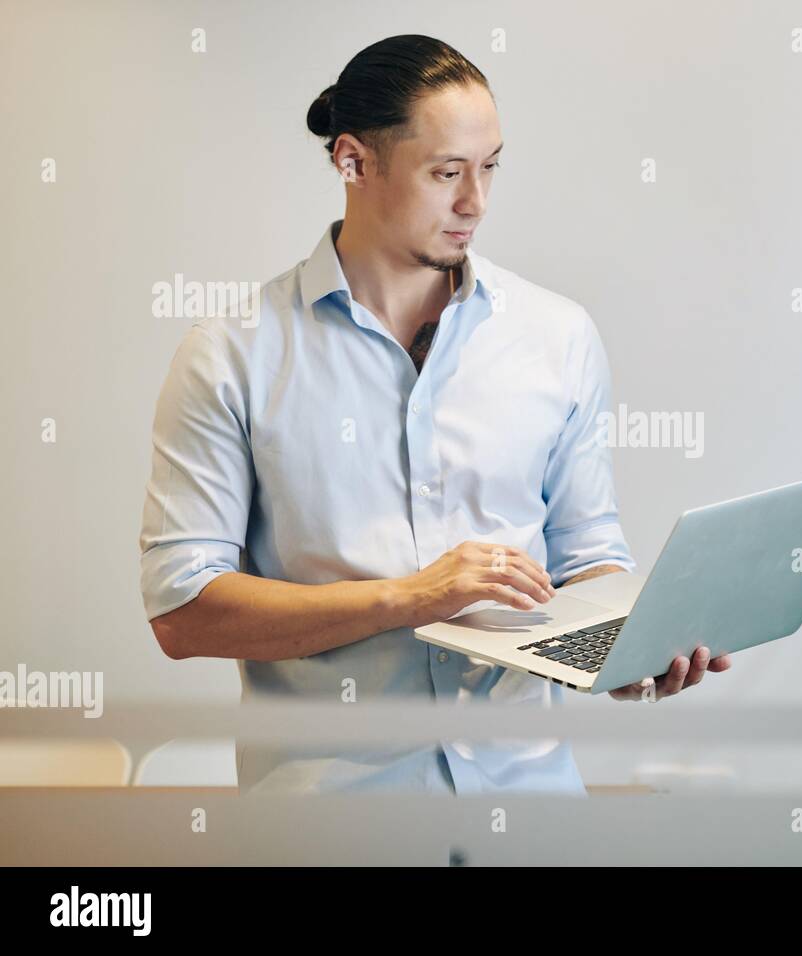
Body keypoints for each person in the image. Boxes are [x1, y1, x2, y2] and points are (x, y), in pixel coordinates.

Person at [138, 35, 730, 795]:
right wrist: (411, 598)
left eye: (489, 168)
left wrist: (629, 648)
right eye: (446, 173)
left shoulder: (557, 336)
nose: (474, 202)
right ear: (353, 162)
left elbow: (586, 553)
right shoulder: (231, 355)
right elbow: (183, 612)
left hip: (531, 811)